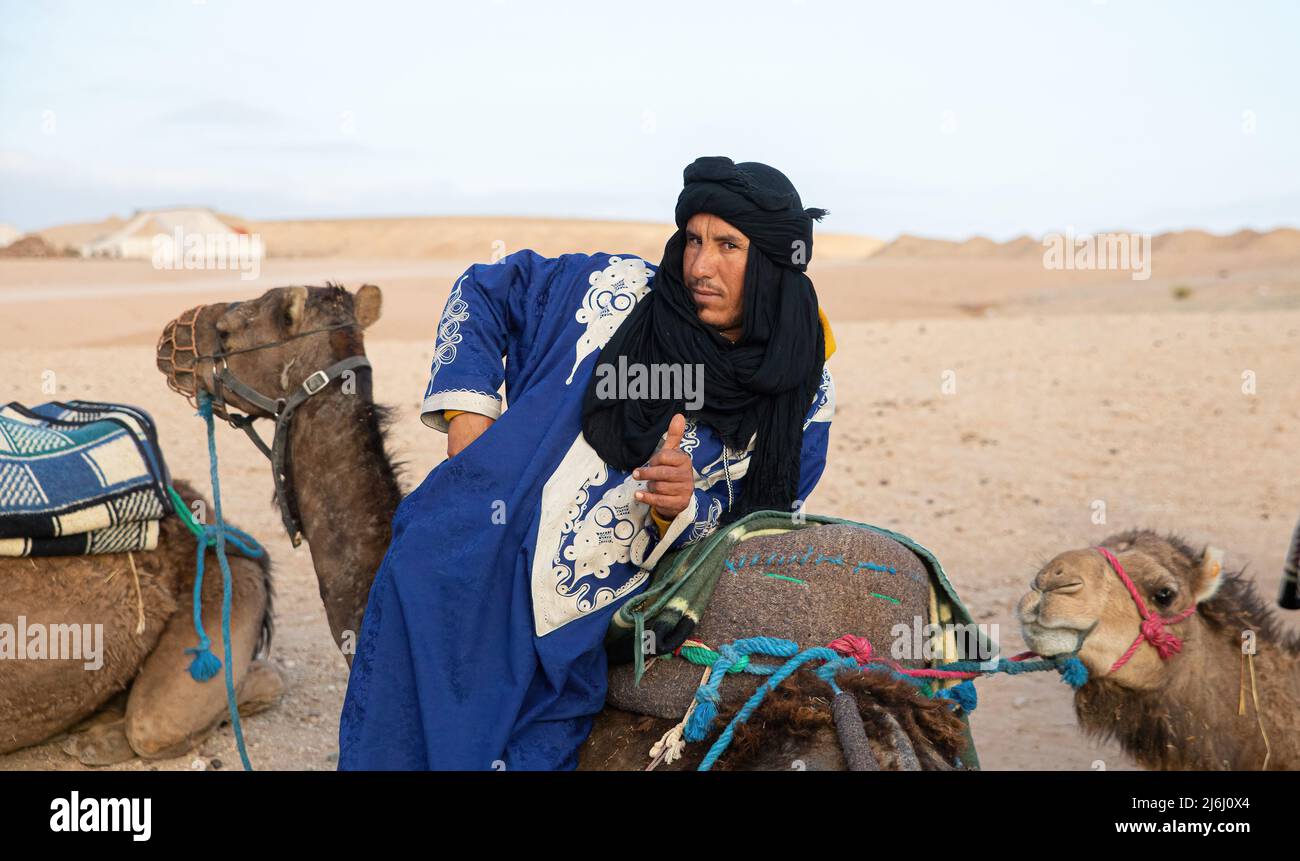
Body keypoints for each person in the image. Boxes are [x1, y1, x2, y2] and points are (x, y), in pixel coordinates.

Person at [338, 156, 836, 769]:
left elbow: (764, 527)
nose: (701, 265)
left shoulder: (801, 394)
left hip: (583, 609)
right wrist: (470, 420)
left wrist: (682, 508)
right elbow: (486, 288)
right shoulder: (615, 292)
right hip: (456, 553)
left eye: (729, 246)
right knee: (393, 734)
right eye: (695, 240)